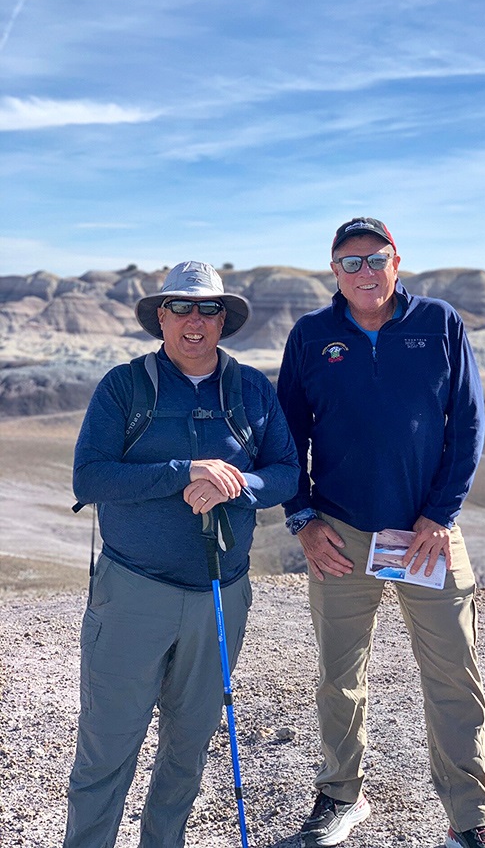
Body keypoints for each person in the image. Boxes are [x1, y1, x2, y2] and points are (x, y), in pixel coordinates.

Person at [277, 219, 485, 848]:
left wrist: (441, 513)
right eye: (350, 263)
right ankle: (340, 796)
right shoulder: (311, 335)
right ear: (334, 272)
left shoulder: (439, 323)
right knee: (339, 674)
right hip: (342, 531)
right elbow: (287, 436)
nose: (365, 273)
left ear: (396, 262)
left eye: (375, 259)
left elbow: (468, 422)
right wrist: (303, 519)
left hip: (428, 535)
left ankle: (469, 816)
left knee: (454, 674)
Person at [63, 261, 299, 848]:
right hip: (133, 594)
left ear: (223, 319)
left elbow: (287, 473)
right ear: (161, 317)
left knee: (187, 751)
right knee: (106, 752)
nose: (196, 320)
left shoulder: (252, 390)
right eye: (181, 308)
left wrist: (235, 485)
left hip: (222, 594)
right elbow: (90, 478)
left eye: (208, 309)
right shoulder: (124, 387)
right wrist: (184, 472)